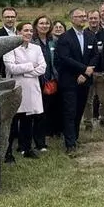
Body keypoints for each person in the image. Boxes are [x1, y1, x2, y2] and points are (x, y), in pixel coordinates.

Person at [55, 8, 99, 155]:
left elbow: (95, 56)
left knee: (79, 110)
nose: (83, 18)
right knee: (70, 112)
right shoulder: (65, 38)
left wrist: (86, 74)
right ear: (72, 19)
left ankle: (75, 137)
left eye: (84, 16)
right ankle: (70, 144)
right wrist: (82, 70)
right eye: (79, 16)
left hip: (84, 81)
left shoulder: (90, 35)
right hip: (70, 81)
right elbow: (65, 59)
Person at [4, 22, 47, 160]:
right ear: (18, 32)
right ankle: (8, 151)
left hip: (32, 88)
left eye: (30, 31)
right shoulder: (11, 49)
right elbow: (12, 68)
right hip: (16, 88)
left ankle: (26, 148)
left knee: (28, 120)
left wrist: (25, 72)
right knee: (13, 121)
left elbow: (42, 68)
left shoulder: (36, 48)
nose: (28, 33)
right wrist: (30, 66)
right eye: (25, 30)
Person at [33, 14, 61, 146]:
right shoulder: (33, 41)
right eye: (41, 23)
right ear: (36, 26)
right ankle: (39, 139)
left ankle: (50, 132)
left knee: (51, 108)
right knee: (39, 111)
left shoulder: (52, 40)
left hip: (52, 80)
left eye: (47, 23)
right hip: (37, 80)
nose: (44, 26)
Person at [85, 10, 104, 131]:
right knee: (88, 101)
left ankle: (103, 119)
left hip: (102, 73)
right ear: (87, 19)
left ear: (100, 19)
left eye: (95, 18)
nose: (93, 20)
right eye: (91, 18)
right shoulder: (84, 34)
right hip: (88, 73)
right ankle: (88, 123)